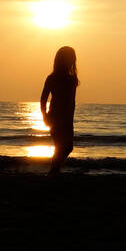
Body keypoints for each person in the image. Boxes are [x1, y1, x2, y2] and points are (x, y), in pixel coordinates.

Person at [40, 46, 79, 175]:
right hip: (56, 117)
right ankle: (53, 171)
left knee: (64, 147)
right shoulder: (52, 78)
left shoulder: (71, 78)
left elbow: (71, 102)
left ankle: (54, 170)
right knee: (65, 147)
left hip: (67, 118)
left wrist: (70, 119)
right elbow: (43, 99)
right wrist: (44, 116)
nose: (73, 60)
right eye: (71, 57)